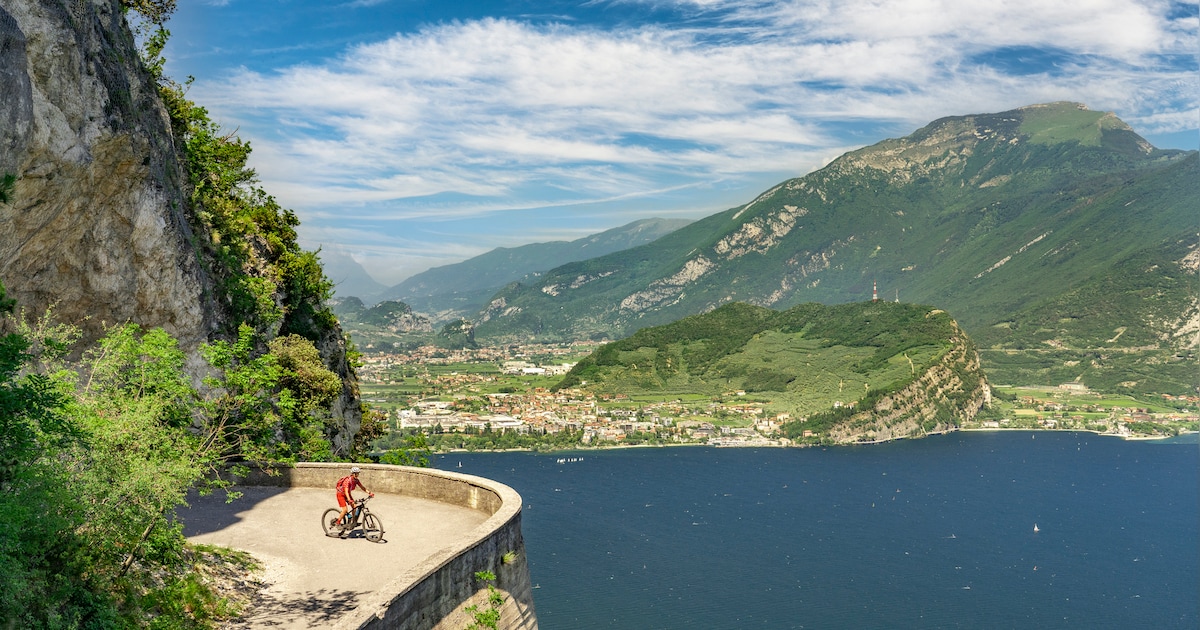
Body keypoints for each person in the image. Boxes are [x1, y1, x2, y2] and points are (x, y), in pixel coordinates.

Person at [334, 466, 373, 536]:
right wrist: (349, 500)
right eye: (356, 473)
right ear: (353, 474)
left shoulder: (356, 480)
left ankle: (353, 521)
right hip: (341, 494)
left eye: (358, 473)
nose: (358, 475)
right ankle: (337, 522)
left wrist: (369, 493)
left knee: (354, 507)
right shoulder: (348, 481)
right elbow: (346, 491)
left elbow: (362, 487)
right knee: (345, 510)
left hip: (347, 494)